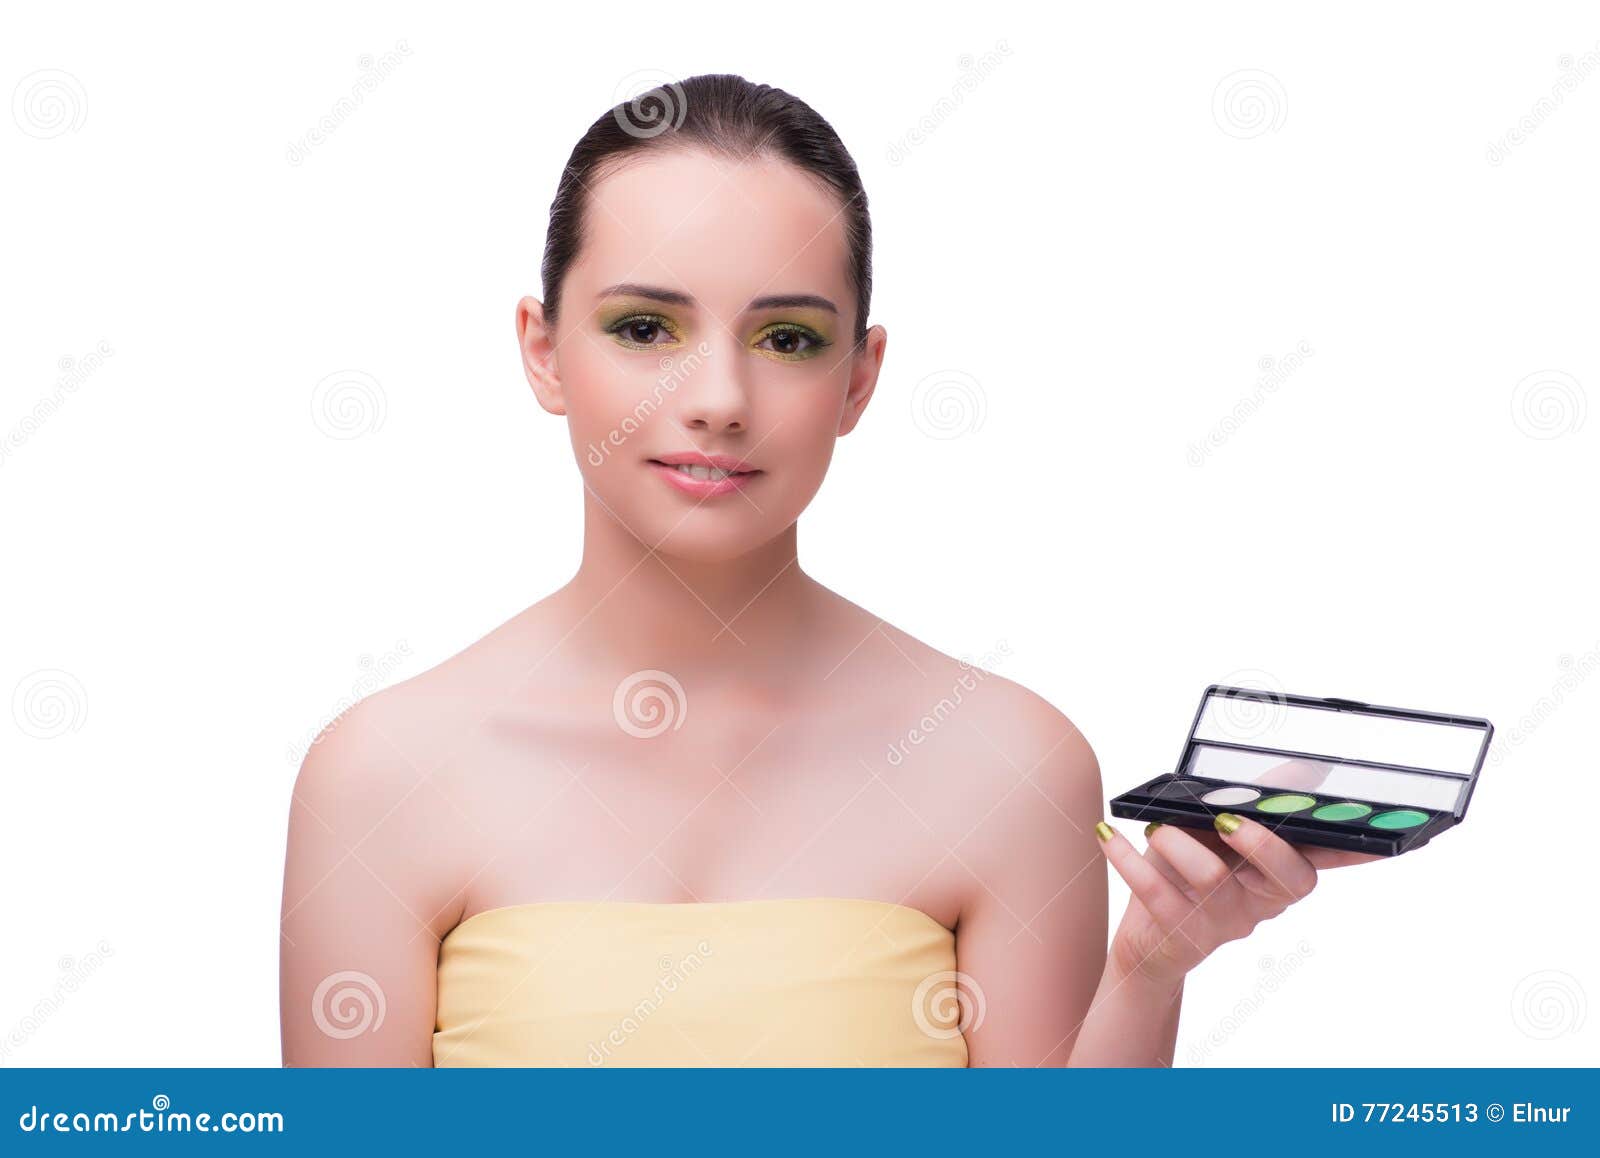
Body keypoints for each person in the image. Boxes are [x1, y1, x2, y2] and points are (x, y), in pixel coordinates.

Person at [279, 72, 1378, 1068]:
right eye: (646, 326)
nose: (717, 396)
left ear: (860, 377)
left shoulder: (1008, 764)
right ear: (542, 350)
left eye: (788, 339)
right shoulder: (379, 779)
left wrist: (1147, 973)